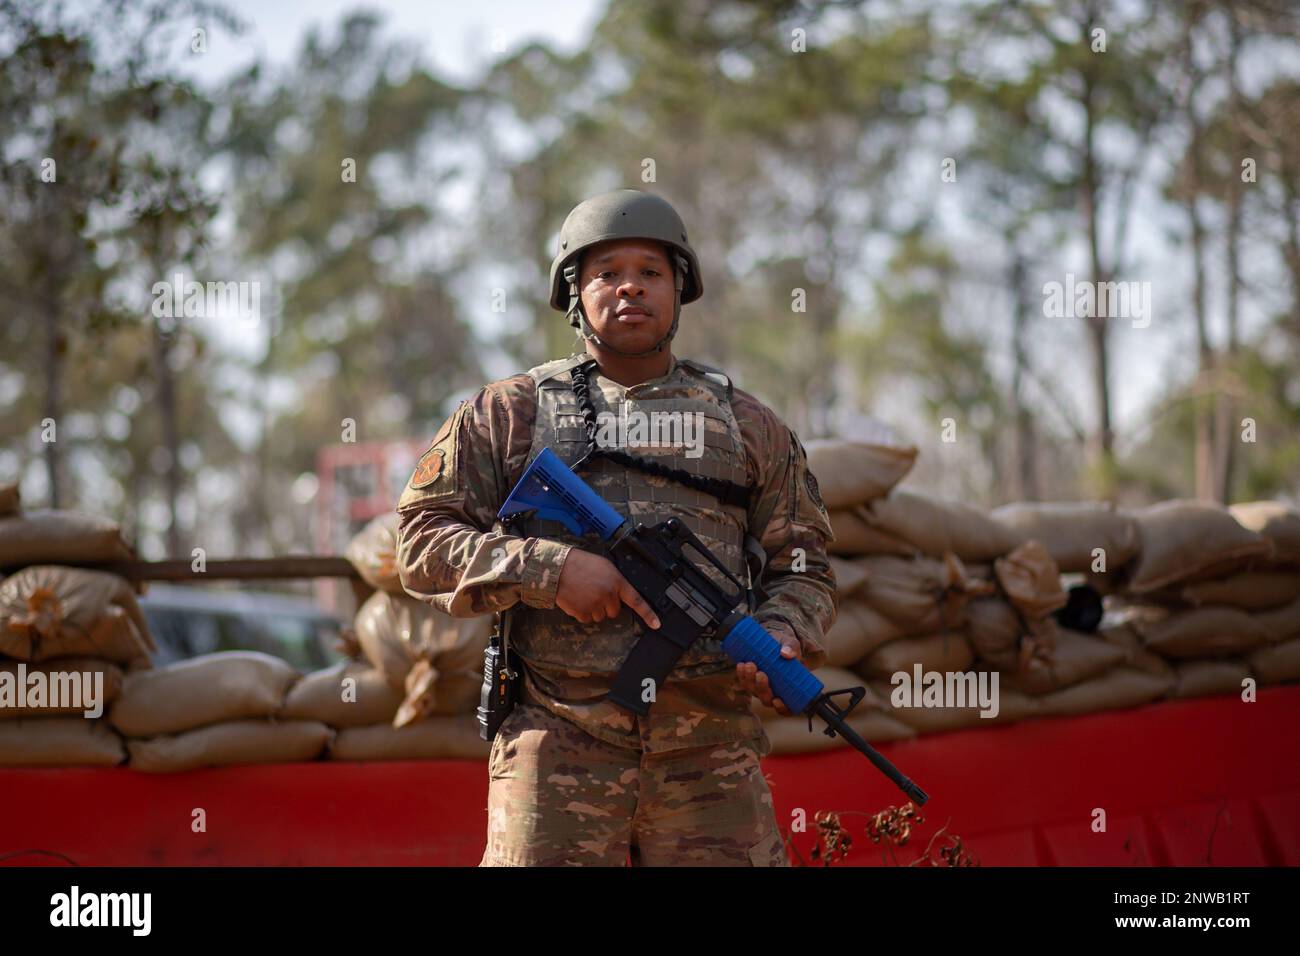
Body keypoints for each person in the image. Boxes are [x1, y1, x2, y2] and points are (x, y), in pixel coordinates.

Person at [395, 188, 836, 866]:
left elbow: (803, 563)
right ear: (575, 294)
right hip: (556, 745)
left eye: (650, 271)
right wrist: (551, 571)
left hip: (710, 755)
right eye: (607, 273)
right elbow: (421, 542)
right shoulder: (508, 414)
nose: (630, 287)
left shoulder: (747, 425)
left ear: (679, 290)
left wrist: (782, 632)